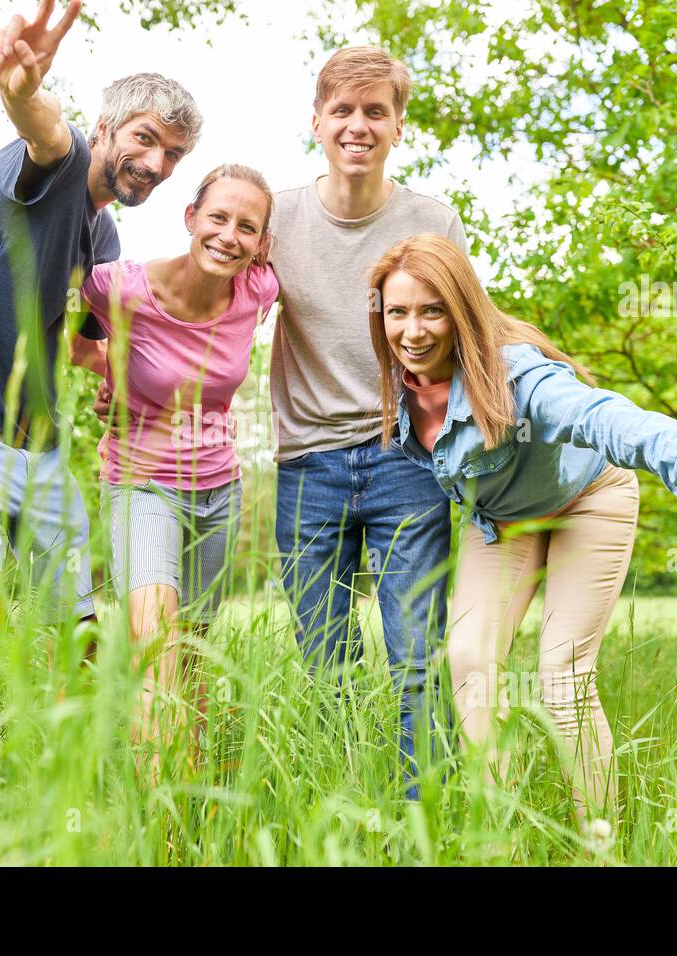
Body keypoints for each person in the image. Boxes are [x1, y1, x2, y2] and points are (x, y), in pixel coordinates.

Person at [367, 233, 677, 823]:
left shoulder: (519, 374)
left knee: (561, 677)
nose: (413, 331)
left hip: (587, 500)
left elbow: (606, 419)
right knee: (469, 660)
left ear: (462, 310)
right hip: (504, 520)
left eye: (432, 310)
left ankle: (598, 840)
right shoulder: (400, 388)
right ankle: (495, 832)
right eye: (397, 312)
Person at [0, 0, 201, 746]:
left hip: (39, 452)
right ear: (104, 130)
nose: (156, 165)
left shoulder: (101, 232)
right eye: (145, 140)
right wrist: (21, 86)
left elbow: (91, 343)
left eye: (172, 156)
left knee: (84, 626)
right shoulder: (61, 161)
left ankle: (88, 772)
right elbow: (40, 123)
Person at [267, 47, 468, 798]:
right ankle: (338, 811)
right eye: (343, 111)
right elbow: (200, 285)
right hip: (305, 466)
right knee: (326, 658)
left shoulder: (431, 219)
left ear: (398, 125)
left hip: (405, 460)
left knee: (418, 655)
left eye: (375, 111)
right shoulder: (277, 217)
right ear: (317, 123)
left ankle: (427, 817)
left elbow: (468, 335)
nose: (359, 124)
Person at [79, 164, 279, 780]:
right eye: (218, 217)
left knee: (188, 653)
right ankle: (152, 823)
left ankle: (184, 797)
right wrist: (110, 376)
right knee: (155, 646)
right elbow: (69, 336)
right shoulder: (119, 286)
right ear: (190, 219)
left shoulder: (258, 291)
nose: (229, 235)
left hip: (219, 488)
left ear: (260, 243)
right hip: (141, 483)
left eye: (248, 227)